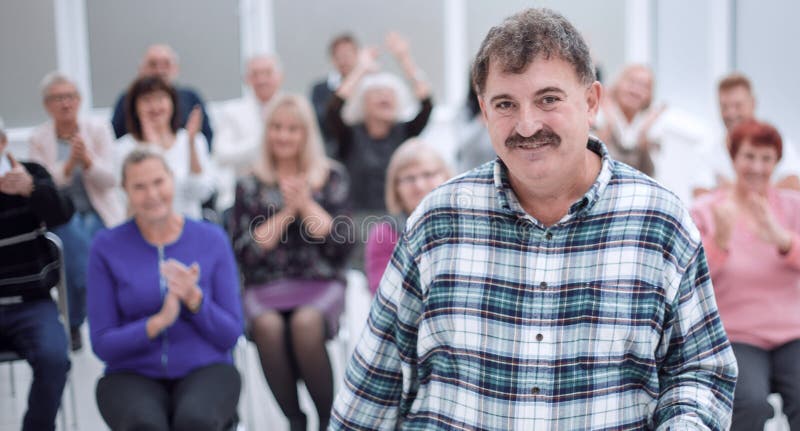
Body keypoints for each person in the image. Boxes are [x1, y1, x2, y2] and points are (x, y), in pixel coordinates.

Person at [331, 8, 738, 430]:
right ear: (484, 112)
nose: (527, 125)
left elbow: (698, 371)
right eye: (505, 104)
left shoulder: (661, 223)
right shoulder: (438, 222)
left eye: (548, 99)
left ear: (591, 101)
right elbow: (375, 380)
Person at [88, 149, 243, 431]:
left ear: (172, 180)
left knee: (195, 422)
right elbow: (102, 343)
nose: (152, 194)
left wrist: (195, 300)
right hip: (131, 373)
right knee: (145, 426)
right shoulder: (106, 247)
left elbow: (231, 333)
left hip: (206, 367)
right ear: (125, 191)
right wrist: (157, 323)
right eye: (139, 186)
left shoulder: (211, 239)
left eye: (158, 182)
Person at [230, 94, 352, 431]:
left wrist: (306, 205)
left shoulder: (332, 176)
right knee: (267, 327)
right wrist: (287, 212)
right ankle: (294, 420)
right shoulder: (248, 184)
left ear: (306, 133)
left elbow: (342, 246)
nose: (284, 136)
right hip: (265, 284)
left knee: (305, 324)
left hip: (320, 281)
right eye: (277, 128)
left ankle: (329, 419)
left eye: (293, 129)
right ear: (267, 132)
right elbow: (245, 252)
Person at [691, 119, 800, 430]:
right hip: (738, 336)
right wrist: (720, 242)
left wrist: (783, 240)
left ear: (776, 163)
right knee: (750, 403)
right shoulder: (707, 210)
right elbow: (688, 279)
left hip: (792, 335)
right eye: (749, 156)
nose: (757, 167)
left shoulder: (793, 207)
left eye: (766, 159)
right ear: (734, 158)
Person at [29, 72, 125, 350]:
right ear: (47, 105)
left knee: (82, 262)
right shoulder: (39, 138)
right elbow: (42, 186)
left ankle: (75, 321)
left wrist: (88, 161)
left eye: (70, 97)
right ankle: (86, 319)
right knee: (77, 262)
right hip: (60, 216)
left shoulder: (97, 130)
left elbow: (111, 179)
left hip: (98, 212)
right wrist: (70, 165)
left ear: (79, 100)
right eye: (58, 98)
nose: (65, 104)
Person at [0, 128, 73, 431]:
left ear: (3, 142)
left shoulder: (30, 173)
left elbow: (63, 213)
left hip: (32, 301)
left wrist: (32, 189)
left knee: (55, 358)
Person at [326, 31, 433, 214]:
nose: (385, 96)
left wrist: (404, 59)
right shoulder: (349, 136)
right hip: (357, 222)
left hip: (399, 221)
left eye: (390, 93)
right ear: (362, 103)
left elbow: (427, 104)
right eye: (377, 93)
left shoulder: (405, 132)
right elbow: (334, 109)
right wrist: (360, 69)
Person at [116, 76, 214, 220]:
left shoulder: (193, 140)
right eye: (147, 100)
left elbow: (201, 192)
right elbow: (125, 199)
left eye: (160, 98)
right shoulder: (123, 148)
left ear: (172, 103)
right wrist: (152, 147)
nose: (155, 107)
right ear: (135, 107)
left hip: (188, 226)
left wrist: (191, 144)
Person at [364, 138, 451, 293]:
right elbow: (382, 294)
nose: (419, 185)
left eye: (428, 174)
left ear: (446, 175)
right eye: (409, 178)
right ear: (396, 187)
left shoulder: (467, 221)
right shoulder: (384, 233)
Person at [695, 73, 800, 195]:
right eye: (724, 107)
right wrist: (771, 190)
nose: (731, 114)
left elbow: (794, 188)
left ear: (753, 103)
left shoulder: (776, 143)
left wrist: (729, 189)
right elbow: (701, 197)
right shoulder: (706, 151)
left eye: (737, 106)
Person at [212, 54, 283, 212]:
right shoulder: (232, 111)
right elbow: (221, 155)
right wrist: (262, 141)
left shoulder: (292, 108)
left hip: (287, 193)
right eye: (255, 74)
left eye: (267, 73)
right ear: (247, 79)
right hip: (243, 195)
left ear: (280, 76)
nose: (261, 80)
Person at [111, 44, 213, 147]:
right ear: (141, 69)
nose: (160, 70)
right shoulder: (126, 100)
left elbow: (207, 137)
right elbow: (115, 137)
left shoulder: (191, 97)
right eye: (153, 64)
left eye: (166, 64)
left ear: (176, 68)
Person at [593, 64, 665, 177]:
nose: (636, 90)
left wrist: (643, 136)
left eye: (644, 86)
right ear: (618, 84)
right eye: (631, 82)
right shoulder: (599, 112)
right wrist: (609, 126)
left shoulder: (651, 123)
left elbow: (650, 174)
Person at [310, 33, 359, 147]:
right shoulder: (320, 89)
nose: (344, 60)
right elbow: (322, 120)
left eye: (347, 55)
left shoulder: (369, 87)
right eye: (339, 56)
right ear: (332, 59)